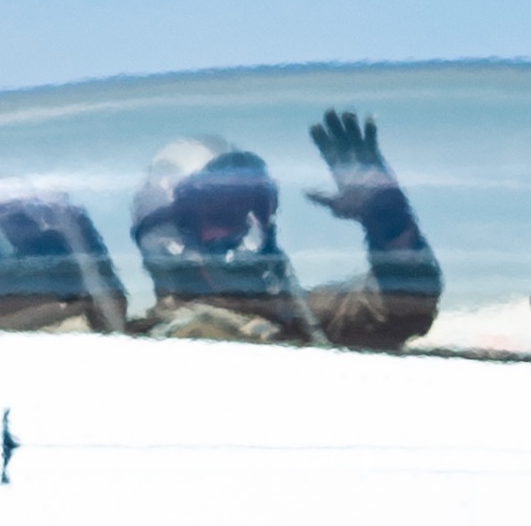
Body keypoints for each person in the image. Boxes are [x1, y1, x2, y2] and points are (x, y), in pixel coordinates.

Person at [130, 108, 444, 348]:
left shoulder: (298, 316)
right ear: (169, 239)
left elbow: (403, 307)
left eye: (251, 213)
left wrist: (387, 218)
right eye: (222, 215)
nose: (245, 234)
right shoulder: (140, 349)